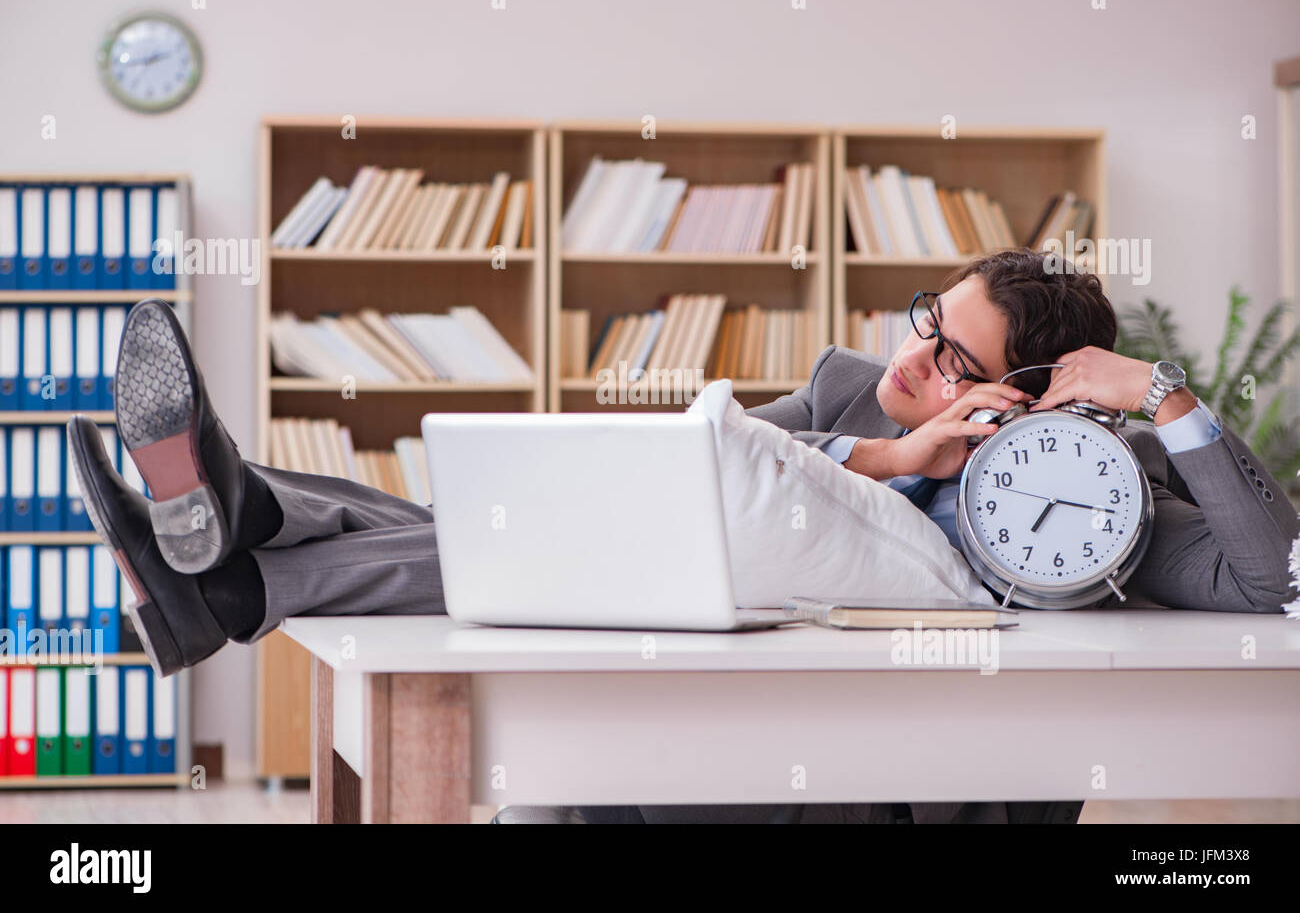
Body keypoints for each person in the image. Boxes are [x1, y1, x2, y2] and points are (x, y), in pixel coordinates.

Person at [67, 248, 1298, 823]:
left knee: (542, 539)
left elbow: (1271, 578)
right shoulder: (847, 395)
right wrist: (885, 455)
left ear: (1028, 396)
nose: (913, 359)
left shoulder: (1102, 496)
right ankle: (234, 559)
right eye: (927, 320)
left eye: (955, 362)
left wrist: (1166, 399)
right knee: (544, 525)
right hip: (698, 681)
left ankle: (239, 552)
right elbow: (684, 476)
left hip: (859, 772)